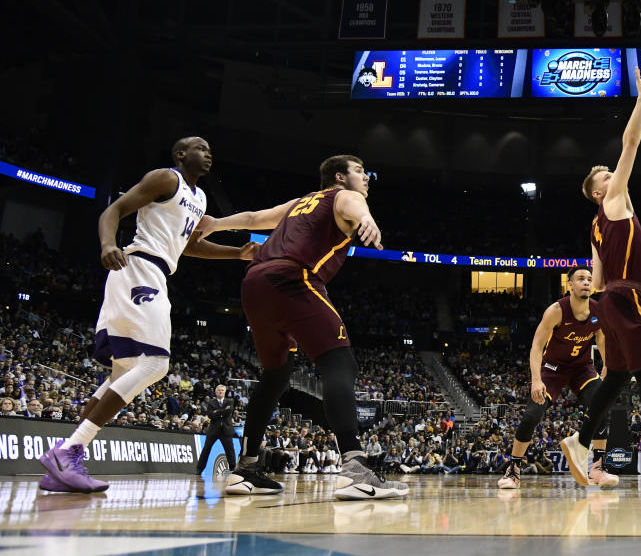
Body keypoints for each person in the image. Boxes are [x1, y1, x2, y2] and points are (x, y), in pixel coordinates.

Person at [37, 137, 256, 494]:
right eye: (200, 147)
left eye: (210, 148)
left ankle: (65, 462)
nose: (208, 151)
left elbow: (189, 246)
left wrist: (237, 254)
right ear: (180, 154)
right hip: (137, 266)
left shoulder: (199, 199)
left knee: (122, 372)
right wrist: (108, 244)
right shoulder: (166, 178)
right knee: (155, 365)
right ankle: (69, 451)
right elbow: (114, 210)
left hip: (155, 273)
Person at [204, 154, 407, 500]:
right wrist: (367, 219)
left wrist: (215, 224)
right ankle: (356, 468)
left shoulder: (301, 203)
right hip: (293, 278)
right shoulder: (344, 196)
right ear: (340, 177)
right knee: (340, 362)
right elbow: (355, 204)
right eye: (360, 171)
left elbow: (254, 218)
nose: (366, 178)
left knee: (276, 374)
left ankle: (246, 469)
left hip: (254, 284)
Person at [560, 68, 641, 495]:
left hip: (610, 302)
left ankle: (580, 441)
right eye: (605, 177)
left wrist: (603, 310)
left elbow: (595, 280)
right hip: (630, 297)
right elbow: (632, 143)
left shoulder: (596, 227)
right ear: (600, 192)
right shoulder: (614, 202)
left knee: (617, 376)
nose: (613, 176)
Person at [497, 266, 617, 490]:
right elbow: (536, 346)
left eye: (590, 279)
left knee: (601, 406)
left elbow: (602, 339)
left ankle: (598, 467)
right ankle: (513, 470)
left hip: (583, 368)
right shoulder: (556, 310)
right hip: (553, 368)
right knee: (532, 415)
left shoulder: (598, 310)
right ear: (569, 285)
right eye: (581, 278)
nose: (586, 282)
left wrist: (608, 365)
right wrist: (536, 379)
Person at [195, 384, 239, 475]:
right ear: (215, 392)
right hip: (213, 430)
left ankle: (233, 469)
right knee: (206, 449)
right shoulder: (211, 402)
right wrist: (222, 411)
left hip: (226, 429)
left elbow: (228, 413)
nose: (220, 392)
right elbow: (210, 415)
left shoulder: (230, 401)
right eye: (219, 390)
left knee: (230, 450)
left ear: (225, 392)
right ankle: (199, 469)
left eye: (222, 390)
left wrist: (217, 411)